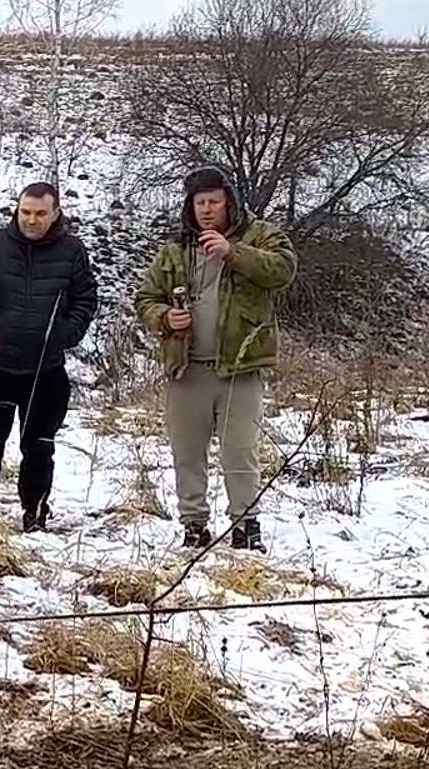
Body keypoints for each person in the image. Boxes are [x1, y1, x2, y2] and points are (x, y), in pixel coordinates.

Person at [133, 166, 296, 553]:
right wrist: (164, 318)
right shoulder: (175, 249)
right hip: (187, 365)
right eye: (199, 203)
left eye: (214, 202)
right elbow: (144, 299)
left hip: (241, 365)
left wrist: (233, 253)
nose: (207, 210)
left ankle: (245, 525)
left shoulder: (261, 234)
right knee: (186, 451)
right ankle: (194, 525)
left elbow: (284, 270)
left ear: (229, 203)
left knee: (239, 450)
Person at [0, 183, 98, 531]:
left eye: (40, 214)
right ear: (16, 210)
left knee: (39, 447)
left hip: (46, 369)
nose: (31, 220)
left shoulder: (71, 250)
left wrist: (64, 334)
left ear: (55, 214)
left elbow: (86, 298)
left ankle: (35, 514)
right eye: (26, 212)